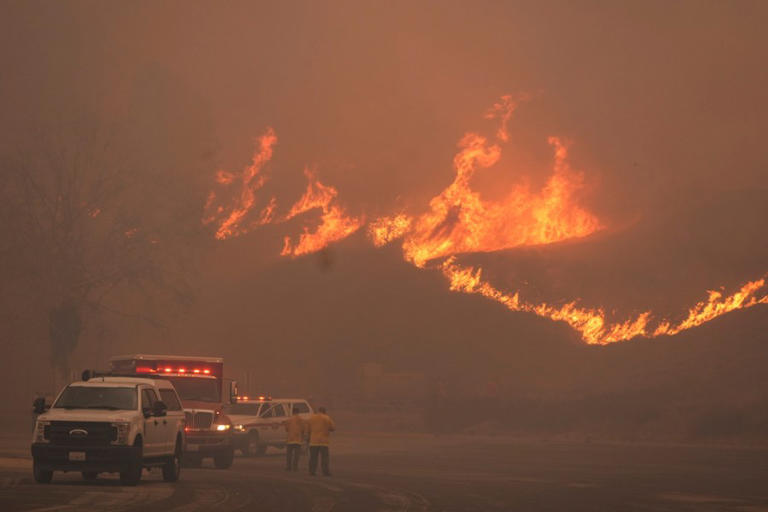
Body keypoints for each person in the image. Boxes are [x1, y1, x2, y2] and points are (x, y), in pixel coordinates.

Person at [307, 406, 335, 476]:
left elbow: (308, 430)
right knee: (324, 458)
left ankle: (312, 471)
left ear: (318, 411)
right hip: (323, 441)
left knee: (313, 458)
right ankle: (325, 472)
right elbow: (332, 428)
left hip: (313, 441)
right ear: (324, 411)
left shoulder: (311, 418)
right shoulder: (326, 418)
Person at [284, 407, 306, 471]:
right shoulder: (301, 420)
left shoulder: (288, 420)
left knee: (289, 455)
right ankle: (295, 467)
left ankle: (288, 467)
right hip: (298, 439)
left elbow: (286, 429)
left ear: (293, 412)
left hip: (290, 439)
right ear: (298, 412)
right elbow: (303, 429)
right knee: (296, 455)